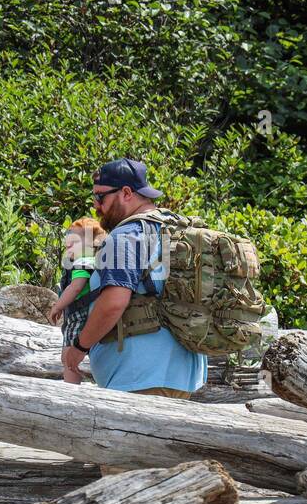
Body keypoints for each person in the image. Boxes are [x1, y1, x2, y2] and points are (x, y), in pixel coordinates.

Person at [60, 157, 208, 398]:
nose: (96, 206)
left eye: (100, 197)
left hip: (140, 379)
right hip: (180, 377)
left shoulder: (127, 235)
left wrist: (78, 348)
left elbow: (114, 302)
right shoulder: (174, 228)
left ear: (126, 193)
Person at [48, 217, 105, 383]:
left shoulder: (83, 263)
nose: (67, 245)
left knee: (67, 357)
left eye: (73, 242)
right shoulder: (94, 261)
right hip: (92, 315)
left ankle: (70, 387)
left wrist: (57, 306)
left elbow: (75, 287)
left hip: (79, 316)